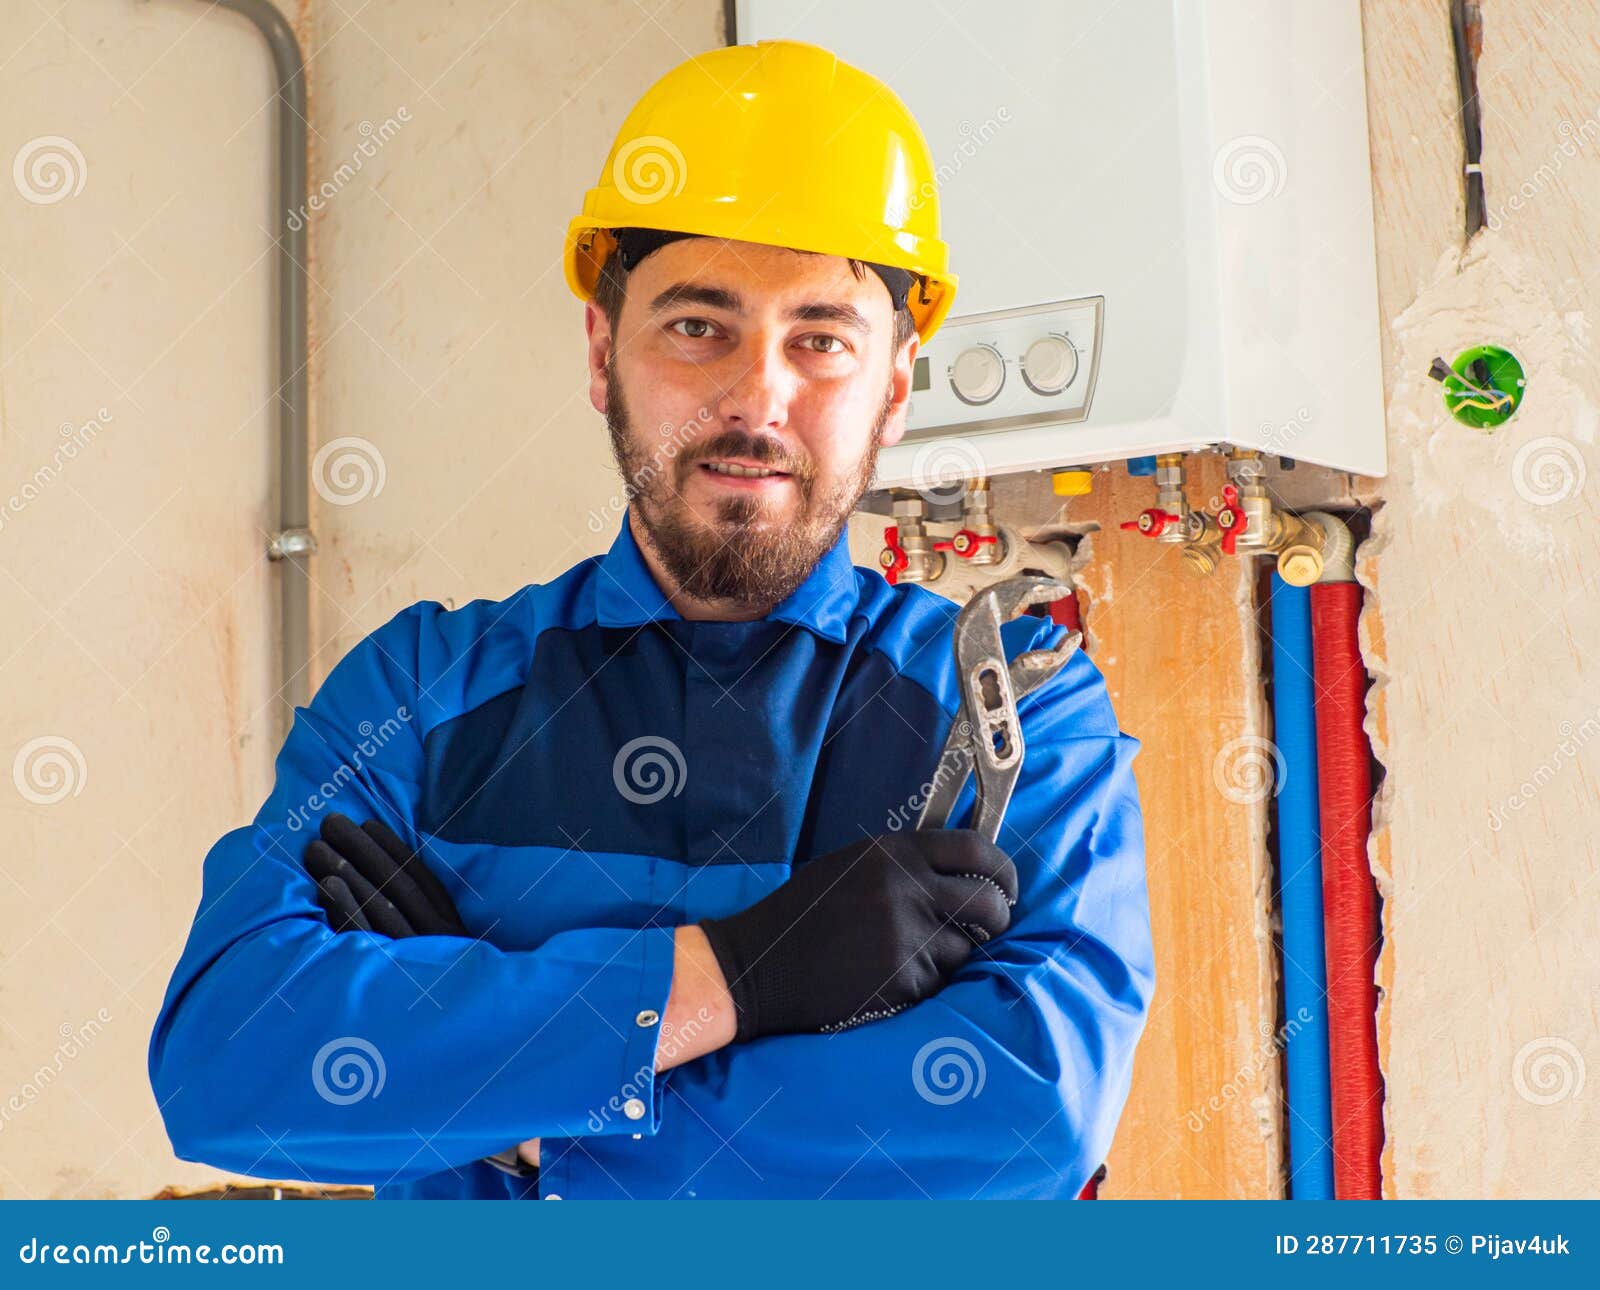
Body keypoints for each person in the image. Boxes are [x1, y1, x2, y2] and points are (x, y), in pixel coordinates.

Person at [148, 38, 1154, 1200]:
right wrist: (732, 976)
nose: (755, 397)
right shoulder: (420, 698)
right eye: (696, 325)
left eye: (820, 338)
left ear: (891, 383)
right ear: (600, 352)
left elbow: (1031, 1114)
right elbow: (230, 1066)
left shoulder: (1010, 711)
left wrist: (515, 1114)